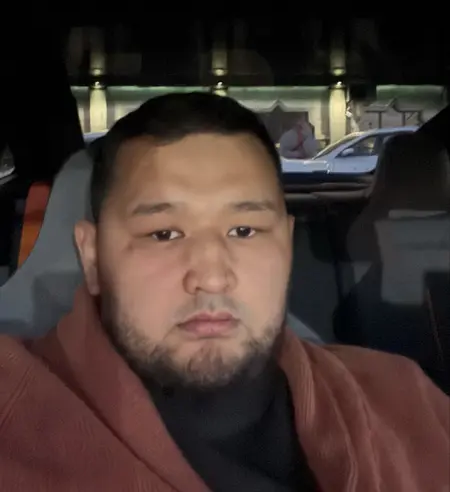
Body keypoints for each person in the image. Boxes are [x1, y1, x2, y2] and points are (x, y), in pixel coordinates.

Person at [0, 92, 448, 492]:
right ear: (93, 257)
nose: (212, 278)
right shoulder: (17, 416)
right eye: (164, 234)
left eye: (244, 230)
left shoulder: (404, 401)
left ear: (286, 245)